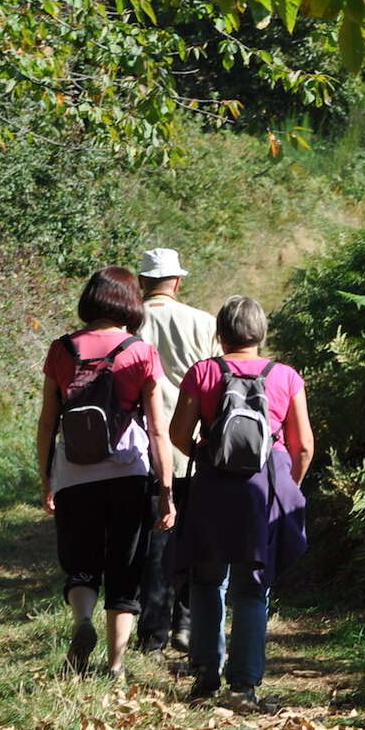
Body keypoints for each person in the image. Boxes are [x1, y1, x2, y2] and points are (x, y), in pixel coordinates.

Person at [169, 295, 313, 709]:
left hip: (212, 487)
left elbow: (179, 433)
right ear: (261, 334)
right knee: (253, 589)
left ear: (220, 333)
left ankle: (204, 676)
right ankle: (244, 686)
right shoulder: (285, 376)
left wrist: (204, 451)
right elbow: (303, 446)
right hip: (262, 490)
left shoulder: (204, 372)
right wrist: (287, 487)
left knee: (207, 581)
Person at [36, 266, 176, 679]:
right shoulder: (140, 351)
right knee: (124, 566)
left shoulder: (61, 349)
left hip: (74, 473)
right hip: (128, 473)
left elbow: (47, 422)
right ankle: (115, 666)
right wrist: (166, 488)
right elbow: (157, 428)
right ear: (131, 303)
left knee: (80, 561)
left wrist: (47, 476)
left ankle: (82, 622)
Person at [135, 247, 220, 654]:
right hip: (192, 445)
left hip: (143, 449)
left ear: (141, 283)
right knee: (193, 536)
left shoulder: (129, 323)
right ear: (178, 282)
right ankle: (186, 623)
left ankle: (152, 630)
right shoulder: (203, 323)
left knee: (153, 541)